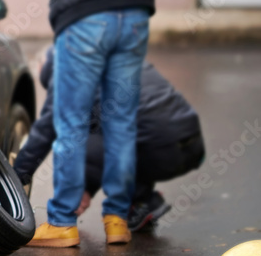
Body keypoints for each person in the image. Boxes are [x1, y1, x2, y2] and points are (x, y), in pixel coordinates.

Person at [22, 0, 164, 247]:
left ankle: (63, 222)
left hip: (84, 20)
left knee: (71, 121)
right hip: (134, 16)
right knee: (121, 121)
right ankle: (117, 220)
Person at [13, 47, 205, 231]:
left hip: (156, 149)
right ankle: (144, 202)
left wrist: (15, 178)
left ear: (44, 65)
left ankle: (135, 200)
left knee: (72, 140)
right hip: (191, 146)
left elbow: (46, 130)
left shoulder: (65, 67)